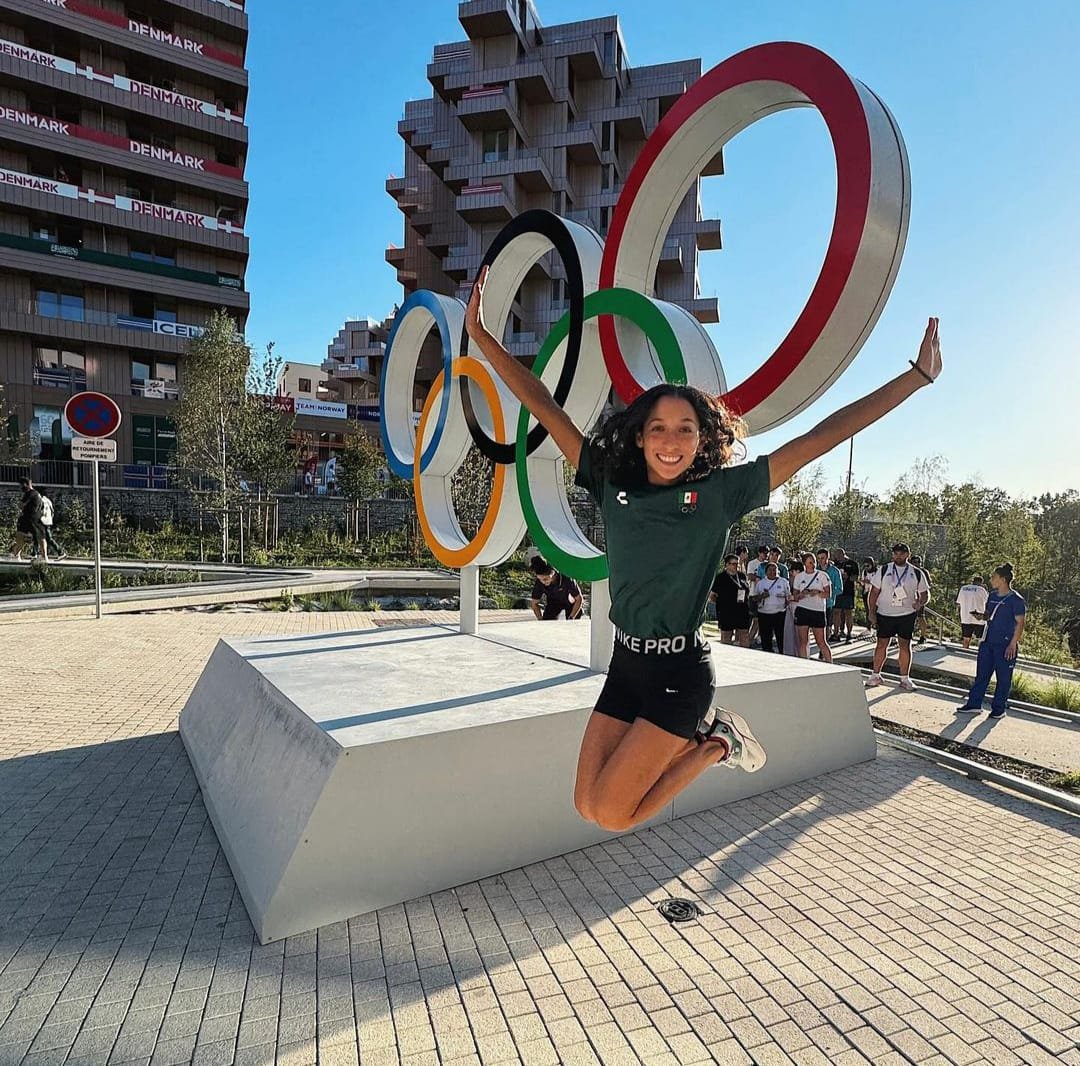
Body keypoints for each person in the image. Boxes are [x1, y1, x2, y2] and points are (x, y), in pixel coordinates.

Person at [466, 264, 941, 831]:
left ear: (703, 439)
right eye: (659, 428)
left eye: (686, 428)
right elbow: (543, 405)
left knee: (614, 814)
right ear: (640, 435)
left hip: (679, 673)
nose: (671, 440)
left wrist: (914, 379)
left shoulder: (720, 494)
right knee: (586, 804)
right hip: (627, 663)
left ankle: (718, 744)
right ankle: (713, 740)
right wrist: (482, 339)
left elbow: (817, 439)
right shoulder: (608, 479)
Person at [956, 564, 1026, 719]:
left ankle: (998, 709)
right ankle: (974, 704)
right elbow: (989, 615)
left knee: (1003, 678)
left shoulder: (1016, 600)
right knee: (982, 675)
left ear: (1003, 579)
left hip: (1005, 643)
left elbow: (1020, 623)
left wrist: (1013, 643)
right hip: (988, 641)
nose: (991, 579)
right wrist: (980, 616)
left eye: (994, 577)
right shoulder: (992, 595)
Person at [865, 543, 931, 691]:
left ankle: (905, 678)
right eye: (896, 553)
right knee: (881, 644)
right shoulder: (884, 569)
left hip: (906, 614)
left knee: (905, 645)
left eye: (901, 553)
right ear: (892, 554)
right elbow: (874, 592)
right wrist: (871, 612)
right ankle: (875, 675)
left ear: (907, 554)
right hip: (884, 613)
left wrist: (920, 603)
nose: (898, 556)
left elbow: (925, 594)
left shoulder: (916, 572)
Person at [792, 552, 833, 662]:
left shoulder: (822, 575)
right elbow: (795, 596)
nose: (813, 564)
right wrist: (802, 594)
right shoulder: (799, 577)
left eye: (814, 561)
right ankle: (804, 664)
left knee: (821, 641)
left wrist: (818, 592)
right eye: (810, 562)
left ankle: (830, 663)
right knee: (803, 641)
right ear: (805, 563)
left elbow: (828, 594)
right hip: (803, 609)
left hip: (818, 610)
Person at [709, 554, 751, 647]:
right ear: (727, 565)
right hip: (726, 612)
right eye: (733, 564)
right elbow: (712, 596)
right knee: (726, 637)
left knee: (744, 634)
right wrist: (722, 602)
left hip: (742, 610)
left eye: (737, 564)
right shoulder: (720, 578)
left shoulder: (741, 576)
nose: (736, 566)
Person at [529, 556, 583, 620]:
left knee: (572, 622)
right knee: (546, 622)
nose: (543, 582)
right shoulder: (540, 583)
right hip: (553, 603)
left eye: (545, 579)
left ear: (553, 573)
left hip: (571, 602)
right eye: (540, 579)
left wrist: (571, 617)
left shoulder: (566, 578)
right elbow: (534, 603)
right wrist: (541, 620)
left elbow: (579, 599)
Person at [754, 561, 789, 653]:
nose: (772, 572)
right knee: (766, 638)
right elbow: (754, 598)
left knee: (781, 637)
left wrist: (785, 598)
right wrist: (762, 596)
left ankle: (782, 654)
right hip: (764, 614)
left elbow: (789, 597)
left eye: (775, 570)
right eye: (770, 570)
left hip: (779, 613)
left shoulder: (784, 582)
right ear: (766, 572)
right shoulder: (761, 583)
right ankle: (767, 654)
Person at [816, 549, 843, 642]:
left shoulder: (835, 571)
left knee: (827, 625)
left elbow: (839, 589)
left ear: (828, 558)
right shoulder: (815, 570)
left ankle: (824, 646)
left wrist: (828, 592)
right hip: (815, 602)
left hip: (828, 603)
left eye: (822, 558)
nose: (820, 561)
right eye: (818, 558)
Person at [956, 575, 989, 649]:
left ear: (973, 581)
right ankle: (980, 657)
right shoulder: (981, 589)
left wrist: (960, 614)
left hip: (965, 617)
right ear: (981, 582)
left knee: (966, 639)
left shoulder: (963, 588)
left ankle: (964, 652)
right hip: (979, 618)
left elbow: (958, 603)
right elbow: (987, 602)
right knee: (981, 640)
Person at [911, 554, 932, 644]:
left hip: (920, 596)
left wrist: (921, 598)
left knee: (920, 616)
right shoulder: (908, 571)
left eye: (918, 562)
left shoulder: (923, 572)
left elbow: (928, 585)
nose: (916, 564)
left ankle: (923, 636)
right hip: (910, 596)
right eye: (914, 562)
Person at [859, 557, 877, 629]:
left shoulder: (877, 572)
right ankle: (868, 627)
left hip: (875, 593)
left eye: (868, 566)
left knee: (875, 610)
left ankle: (875, 625)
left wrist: (869, 582)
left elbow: (877, 583)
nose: (866, 567)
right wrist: (861, 581)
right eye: (865, 566)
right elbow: (863, 583)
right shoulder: (865, 572)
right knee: (868, 610)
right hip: (866, 592)